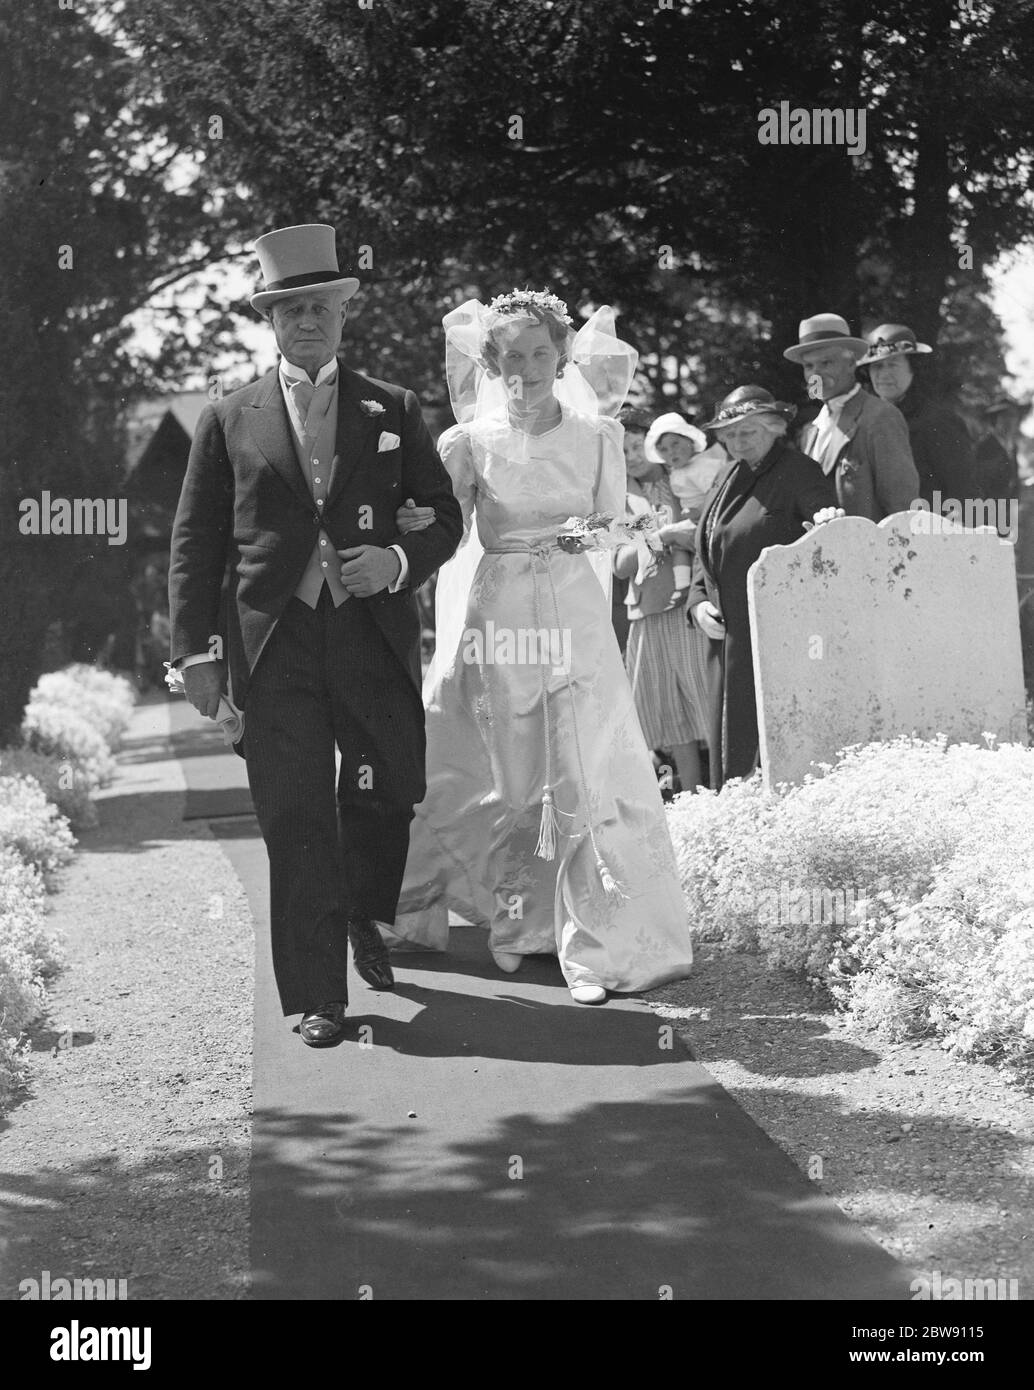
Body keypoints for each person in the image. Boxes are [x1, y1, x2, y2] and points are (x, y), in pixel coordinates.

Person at [168, 223, 463, 1047]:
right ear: (270, 320)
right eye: (291, 308)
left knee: (385, 793)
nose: (308, 321)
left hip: (369, 634)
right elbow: (196, 545)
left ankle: (363, 913)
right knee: (295, 815)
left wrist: (399, 559)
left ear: (344, 314)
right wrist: (194, 654)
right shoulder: (228, 418)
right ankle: (316, 998)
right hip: (275, 644)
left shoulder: (395, 407)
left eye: (322, 306)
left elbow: (446, 517)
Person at [384, 290, 693, 1004]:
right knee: (515, 775)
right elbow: (447, 531)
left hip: (574, 611)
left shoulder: (596, 435)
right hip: (499, 615)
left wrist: (570, 540)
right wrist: (415, 518)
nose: (525, 367)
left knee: (582, 770)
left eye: (539, 353)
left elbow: (617, 524)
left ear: (561, 357)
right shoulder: (468, 443)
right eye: (511, 355)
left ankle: (597, 940)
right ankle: (519, 925)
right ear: (493, 363)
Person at [687, 386, 836, 788]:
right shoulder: (726, 473)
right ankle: (734, 820)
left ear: (774, 429)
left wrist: (827, 523)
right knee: (729, 738)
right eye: (729, 433)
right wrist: (697, 601)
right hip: (724, 635)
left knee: (769, 743)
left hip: (776, 634)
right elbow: (708, 546)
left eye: (747, 432)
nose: (737, 441)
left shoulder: (798, 471)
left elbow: (827, 531)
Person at [614, 412, 713, 793]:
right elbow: (620, 565)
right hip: (647, 609)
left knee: (705, 699)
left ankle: (729, 788)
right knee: (669, 716)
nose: (633, 456)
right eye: (622, 451)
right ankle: (689, 797)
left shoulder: (680, 481)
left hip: (690, 604)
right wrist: (663, 535)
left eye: (638, 446)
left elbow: (700, 529)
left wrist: (666, 535)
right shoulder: (621, 500)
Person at [787, 312, 919, 521]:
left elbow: (902, 509)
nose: (816, 374)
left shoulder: (880, 416)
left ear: (851, 364)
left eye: (826, 363)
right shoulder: (811, 429)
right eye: (809, 366)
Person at [857, 322, 977, 508]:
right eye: (877, 366)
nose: (884, 374)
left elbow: (963, 490)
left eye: (893, 365)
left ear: (913, 368)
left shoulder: (938, 421)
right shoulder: (862, 420)